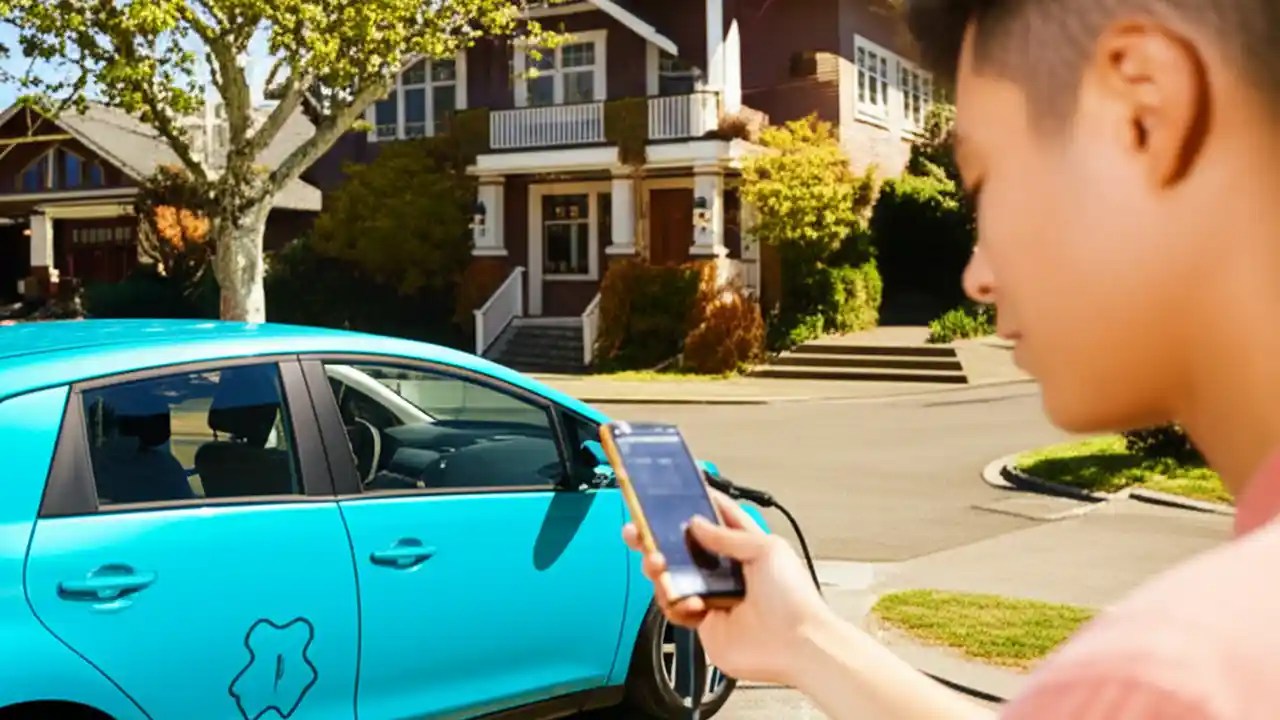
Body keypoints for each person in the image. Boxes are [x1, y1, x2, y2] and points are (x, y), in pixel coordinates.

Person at [622, 1, 1280, 717]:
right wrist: (803, 638)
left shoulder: (1170, 681)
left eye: (984, 180)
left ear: (1147, 113)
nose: (977, 276)